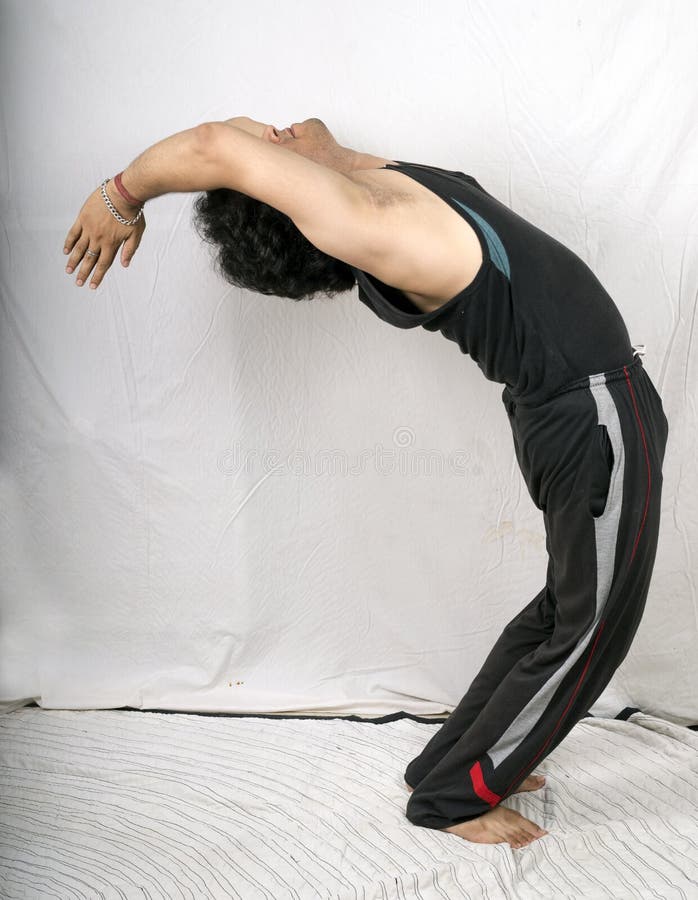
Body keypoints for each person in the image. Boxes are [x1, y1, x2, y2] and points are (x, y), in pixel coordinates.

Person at [63, 116, 668, 850]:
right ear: (294, 198)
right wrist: (121, 195)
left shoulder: (376, 182)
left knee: (564, 609)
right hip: (592, 415)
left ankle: (452, 764)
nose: (265, 128)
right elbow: (216, 148)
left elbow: (242, 142)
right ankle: (455, 798)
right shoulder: (364, 219)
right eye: (264, 147)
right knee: (591, 625)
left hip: (583, 411)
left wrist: (297, 156)